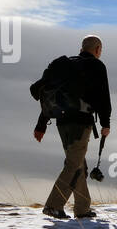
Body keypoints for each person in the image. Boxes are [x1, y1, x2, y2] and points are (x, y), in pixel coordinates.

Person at [33, 35, 112, 219]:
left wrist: (41, 125)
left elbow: (50, 96)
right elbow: (103, 97)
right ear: (98, 49)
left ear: (81, 48)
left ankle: (82, 208)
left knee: (78, 165)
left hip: (61, 121)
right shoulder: (97, 66)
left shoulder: (65, 65)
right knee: (73, 164)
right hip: (81, 122)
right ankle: (53, 205)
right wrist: (105, 123)